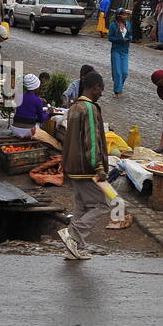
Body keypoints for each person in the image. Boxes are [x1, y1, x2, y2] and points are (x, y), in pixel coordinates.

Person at [57, 69, 118, 261]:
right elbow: (91, 141)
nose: (101, 94)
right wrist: (98, 166)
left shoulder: (74, 107)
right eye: (101, 90)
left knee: (82, 207)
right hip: (86, 167)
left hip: (72, 164)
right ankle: (73, 234)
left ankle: (75, 248)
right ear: (95, 87)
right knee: (103, 204)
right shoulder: (90, 109)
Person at [12, 73, 51, 138]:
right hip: (28, 131)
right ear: (36, 87)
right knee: (40, 125)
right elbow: (41, 119)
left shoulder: (18, 96)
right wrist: (48, 112)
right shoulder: (37, 100)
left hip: (14, 129)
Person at [108, 7, 132, 96]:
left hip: (125, 51)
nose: (125, 16)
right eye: (123, 14)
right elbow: (110, 38)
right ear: (119, 15)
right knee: (117, 72)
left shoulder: (128, 25)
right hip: (116, 50)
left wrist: (128, 39)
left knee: (124, 72)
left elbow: (131, 35)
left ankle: (119, 86)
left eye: (126, 15)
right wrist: (120, 40)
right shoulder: (113, 25)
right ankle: (117, 91)